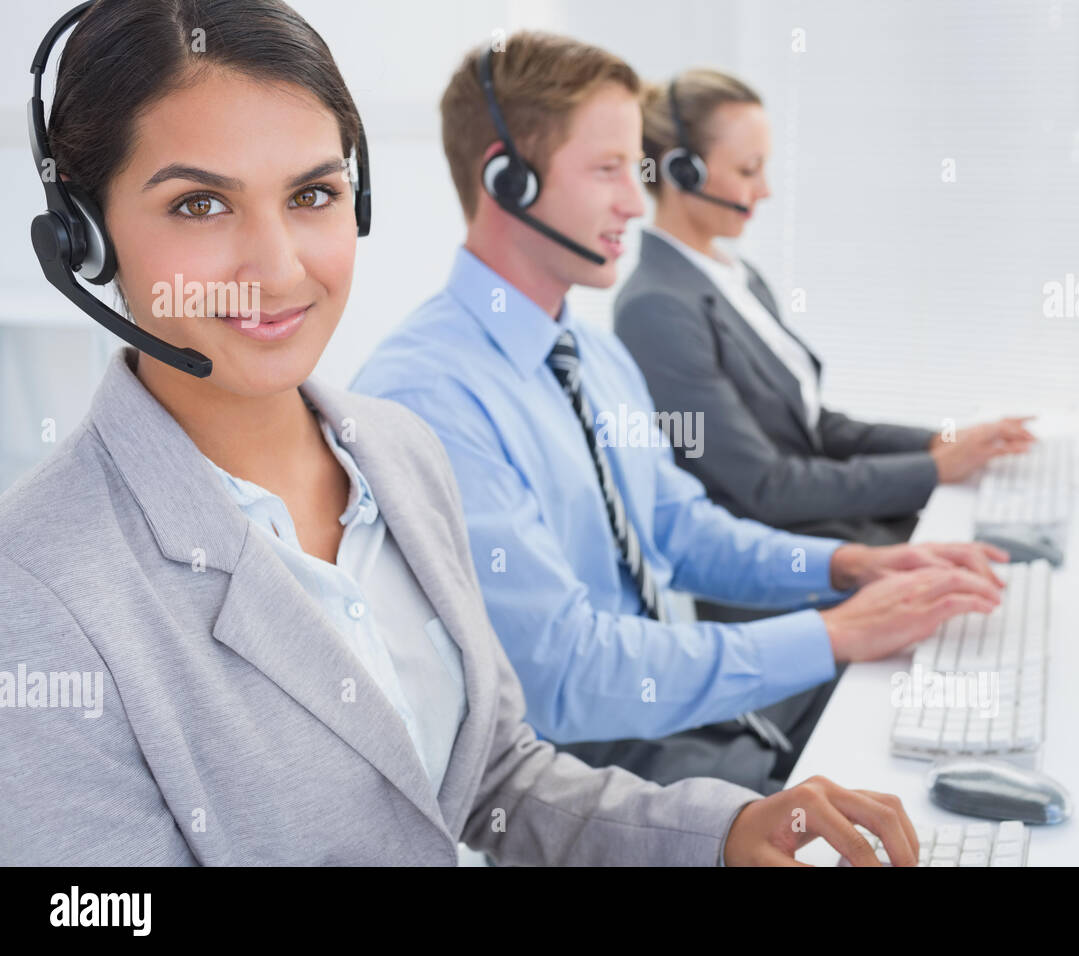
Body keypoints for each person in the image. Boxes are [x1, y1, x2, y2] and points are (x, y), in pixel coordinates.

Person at [1, 0, 925, 868]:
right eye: (200, 204)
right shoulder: (39, 589)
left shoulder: (397, 452)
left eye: (314, 195)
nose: (277, 267)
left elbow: (494, 781)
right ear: (85, 238)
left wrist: (719, 832)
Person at [351, 32, 1006, 795]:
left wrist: (846, 568)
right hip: (582, 777)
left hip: (678, 716)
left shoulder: (594, 358)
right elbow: (564, 672)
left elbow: (679, 528)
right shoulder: (429, 400)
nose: (638, 200)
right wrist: (834, 632)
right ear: (507, 180)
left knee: (942, 739)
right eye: (608, 171)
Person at [616, 69, 1035, 593]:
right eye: (749, 170)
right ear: (682, 172)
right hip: (791, 570)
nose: (764, 190)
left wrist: (945, 442)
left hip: (836, 530)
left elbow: (814, 427)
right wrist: (931, 470)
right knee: (1001, 585)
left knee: (1020, 559)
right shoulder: (656, 308)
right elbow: (764, 486)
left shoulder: (733, 275)